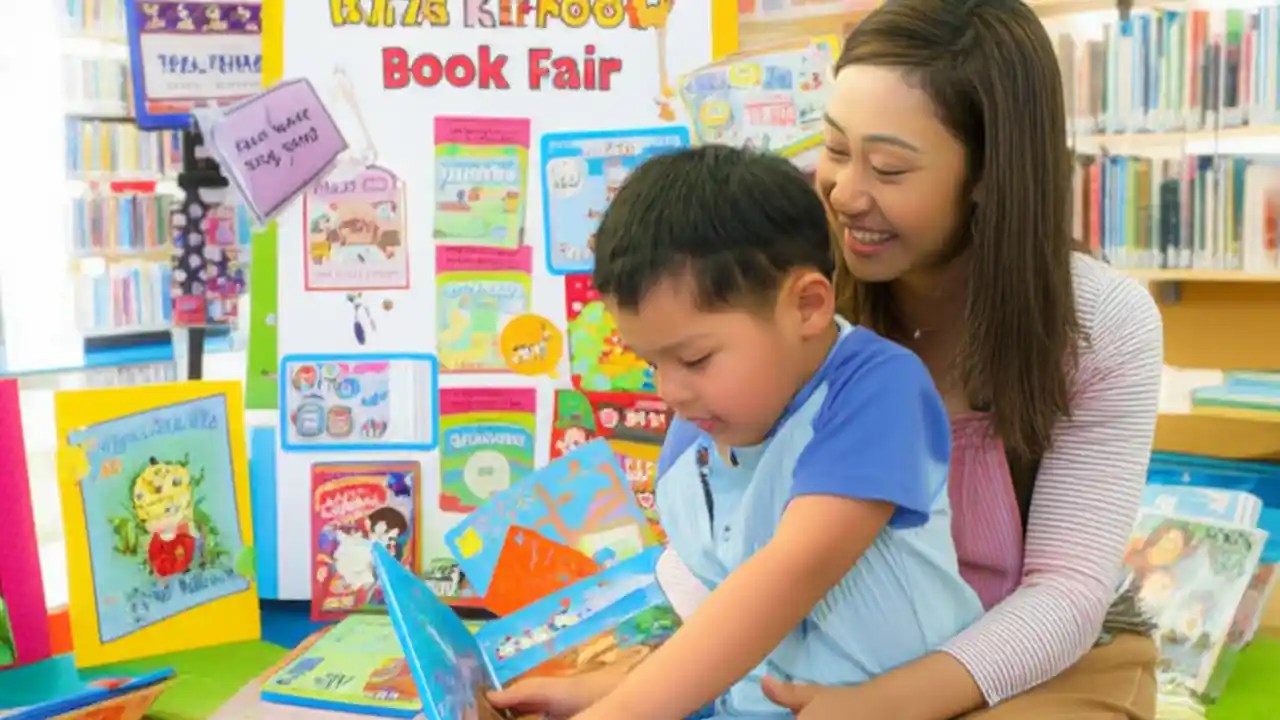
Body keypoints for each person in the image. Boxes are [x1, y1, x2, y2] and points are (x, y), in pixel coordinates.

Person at [753, 0, 1165, 717]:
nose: (846, 193)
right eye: (836, 149)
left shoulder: (1101, 324)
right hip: (824, 645)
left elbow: (1065, 594)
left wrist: (881, 704)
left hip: (1036, 663)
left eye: (888, 167)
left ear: (988, 173)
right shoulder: (796, 277)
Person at [489, 145, 983, 719]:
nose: (669, 391)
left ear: (807, 306)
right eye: (651, 364)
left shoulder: (877, 391)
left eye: (694, 359)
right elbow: (711, 612)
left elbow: (784, 579)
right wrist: (605, 694)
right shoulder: (694, 436)